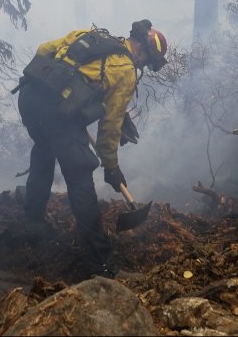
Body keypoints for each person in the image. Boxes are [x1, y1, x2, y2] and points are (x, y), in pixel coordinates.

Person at [15, 19, 168, 277]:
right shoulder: (127, 71)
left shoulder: (92, 37)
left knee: (44, 150)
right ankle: (103, 265)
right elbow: (109, 127)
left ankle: (33, 222)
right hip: (58, 115)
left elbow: (43, 50)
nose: (142, 66)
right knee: (81, 177)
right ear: (141, 50)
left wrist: (61, 88)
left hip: (30, 97)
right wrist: (111, 167)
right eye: (146, 61)